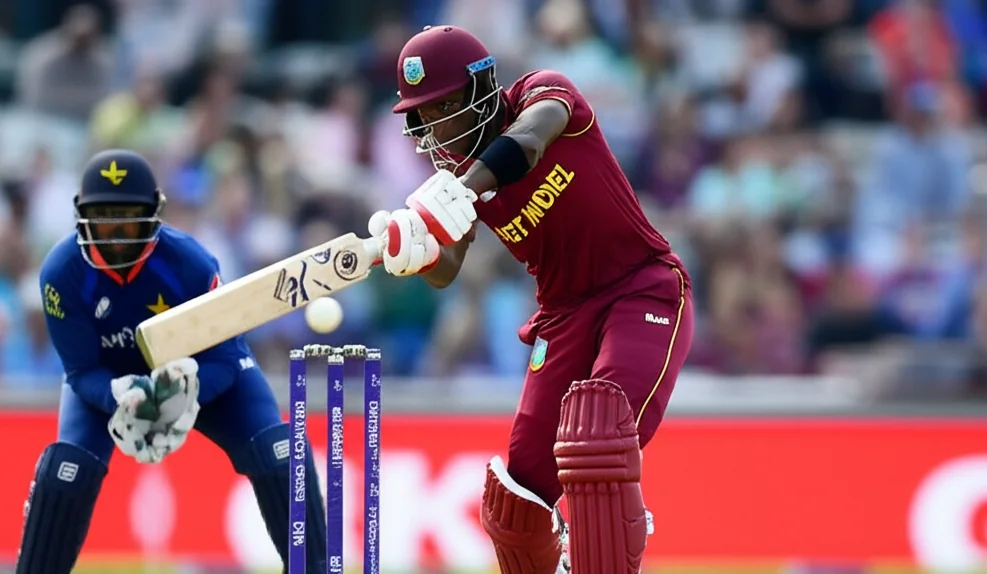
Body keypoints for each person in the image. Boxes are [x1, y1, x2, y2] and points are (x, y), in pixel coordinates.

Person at [368, 25, 695, 574]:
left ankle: (609, 545)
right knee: (515, 506)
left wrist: (457, 192)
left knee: (598, 434)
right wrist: (415, 250)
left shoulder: (544, 93)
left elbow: (526, 144)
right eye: (422, 116)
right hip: (562, 317)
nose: (435, 128)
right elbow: (448, 269)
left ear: (480, 89)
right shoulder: (456, 176)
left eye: (443, 107)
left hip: (641, 288)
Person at [15, 149, 328, 574]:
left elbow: (226, 357)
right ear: (82, 218)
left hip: (201, 373)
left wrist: (186, 393)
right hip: (110, 380)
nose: (117, 238)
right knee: (65, 473)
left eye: (129, 222)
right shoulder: (60, 274)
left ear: (153, 217)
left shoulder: (191, 264)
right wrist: (119, 395)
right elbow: (82, 371)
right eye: (105, 221)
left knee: (280, 455)